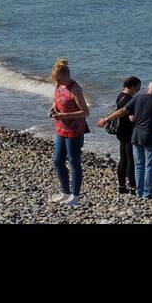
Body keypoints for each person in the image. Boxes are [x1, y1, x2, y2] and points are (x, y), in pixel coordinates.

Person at [101, 80, 152, 198]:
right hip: (151, 137)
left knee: (138, 165)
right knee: (149, 165)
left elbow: (123, 111)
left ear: (148, 89)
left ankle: (138, 191)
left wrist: (107, 119)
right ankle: (148, 193)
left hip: (136, 136)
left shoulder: (138, 98)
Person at [47, 58, 90, 207]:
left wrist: (64, 116)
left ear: (67, 75)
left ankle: (75, 196)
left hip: (74, 130)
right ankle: (65, 192)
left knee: (74, 162)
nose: (58, 82)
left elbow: (85, 112)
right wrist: (53, 108)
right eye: (56, 80)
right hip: (60, 128)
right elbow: (56, 99)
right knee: (58, 161)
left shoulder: (75, 88)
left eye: (59, 79)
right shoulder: (59, 83)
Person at [98, 76, 141, 194]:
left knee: (123, 158)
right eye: (138, 88)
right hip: (128, 131)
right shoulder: (129, 100)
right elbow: (130, 117)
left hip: (121, 131)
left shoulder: (120, 96)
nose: (138, 90)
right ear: (132, 86)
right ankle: (132, 187)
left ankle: (122, 186)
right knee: (130, 160)